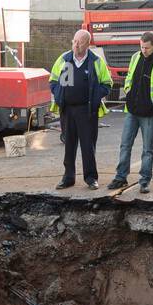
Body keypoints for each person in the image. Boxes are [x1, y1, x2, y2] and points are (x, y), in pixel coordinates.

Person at [105, 32, 153, 194]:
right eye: (142, 47)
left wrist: (150, 104)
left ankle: (144, 181)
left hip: (148, 114)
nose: (144, 51)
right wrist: (128, 92)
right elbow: (129, 78)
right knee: (125, 144)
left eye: (147, 48)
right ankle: (121, 177)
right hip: (132, 111)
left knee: (147, 149)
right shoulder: (136, 57)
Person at [49, 29, 112, 191]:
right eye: (74, 41)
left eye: (80, 42)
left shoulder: (96, 61)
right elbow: (53, 80)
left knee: (88, 145)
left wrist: (95, 96)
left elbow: (107, 84)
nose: (76, 45)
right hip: (67, 110)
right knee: (69, 145)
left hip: (87, 110)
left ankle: (91, 178)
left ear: (87, 44)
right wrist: (58, 95)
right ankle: (68, 177)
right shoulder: (65, 60)